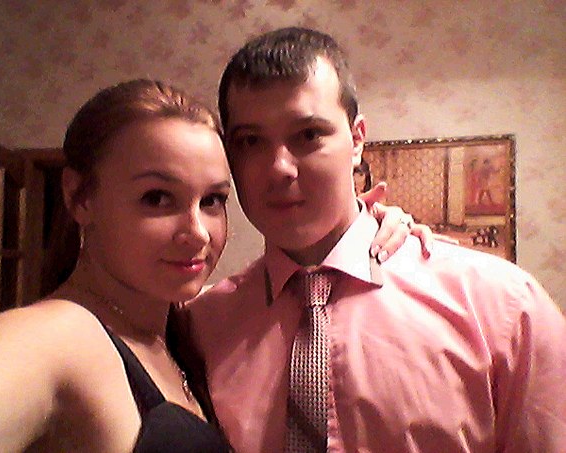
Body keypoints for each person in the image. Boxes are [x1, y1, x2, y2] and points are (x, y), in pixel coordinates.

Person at [0, 79, 434, 452]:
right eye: (156, 198)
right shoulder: (54, 337)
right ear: (79, 197)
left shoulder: (190, 327)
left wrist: (363, 225)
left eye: (212, 200)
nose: (199, 233)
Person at [184, 27, 566, 452]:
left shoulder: (502, 307)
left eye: (308, 135)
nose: (280, 168)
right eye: (251, 141)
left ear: (357, 140)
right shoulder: (201, 328)